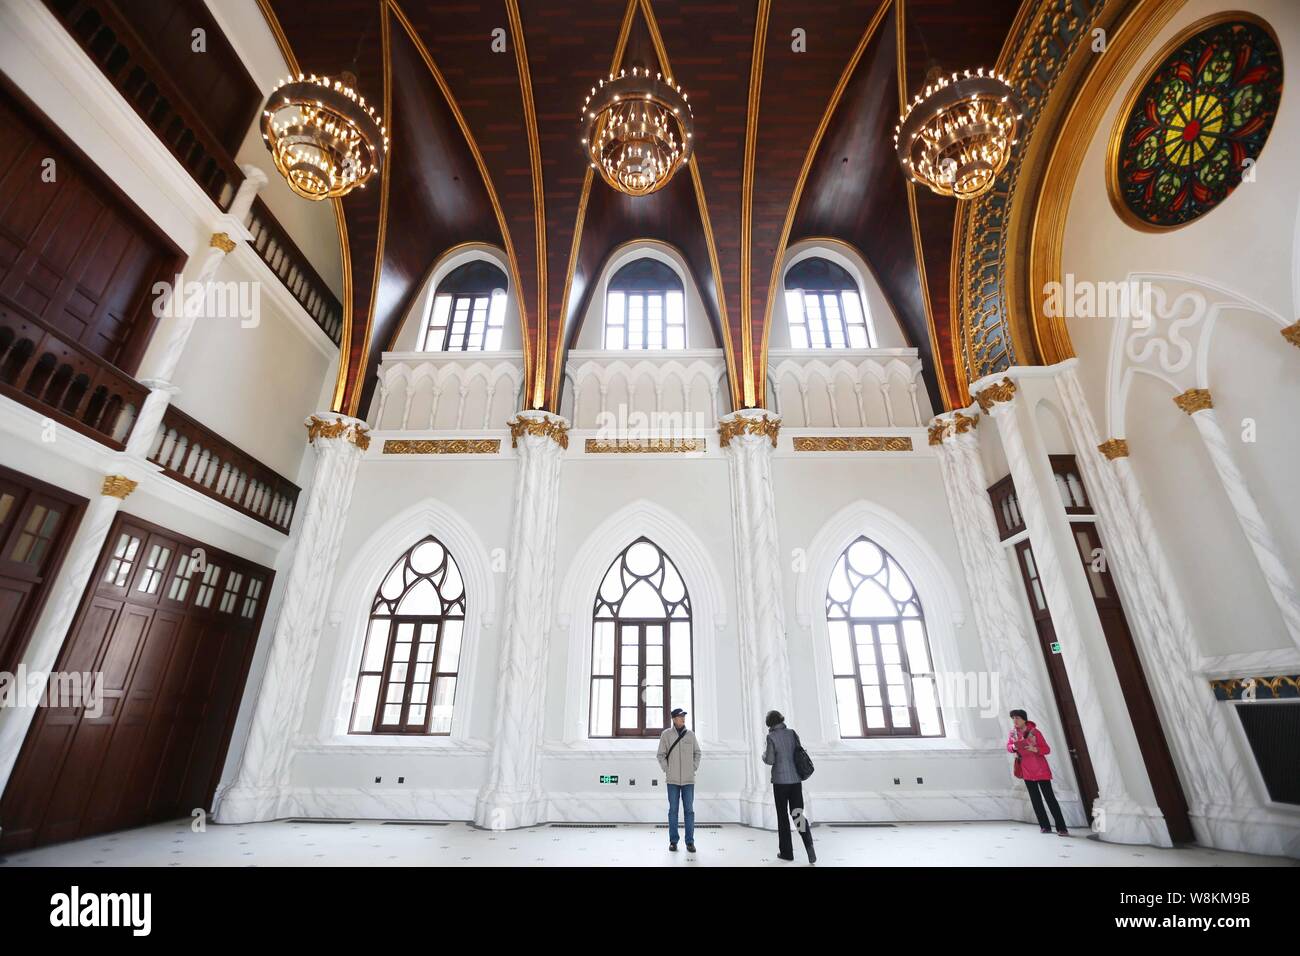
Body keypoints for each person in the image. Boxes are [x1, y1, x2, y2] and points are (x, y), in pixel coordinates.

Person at [762, 710, 816, 863]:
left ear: (770, 724)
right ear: (781, 720)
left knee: (783, 817)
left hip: (780, 782)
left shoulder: (771, 737)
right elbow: (799, 752)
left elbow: (770, 760)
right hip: (795, 780)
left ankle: (787, 853)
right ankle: (809, 845)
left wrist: (763, 755)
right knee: (797, 814)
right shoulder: (792, 733)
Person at [1007, 709, 1069, 835]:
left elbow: (1046, 749)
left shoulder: (1035, 732)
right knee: (1035, 800)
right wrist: (1013, 747)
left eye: (1017, 718)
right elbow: (1009, 746)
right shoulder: (1013, 734)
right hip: (1026, 770)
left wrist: (1034, 749)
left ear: (1024, 719)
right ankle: (1044, 826)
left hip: (1041, 770)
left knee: (1050, 798)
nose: (1015, 720)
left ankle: (1061, 828)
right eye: (1013, 718)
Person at [657, 707, 701, 852]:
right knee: (673, 811)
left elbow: (697, 753)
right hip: (672, 780)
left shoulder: (690, 735)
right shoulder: (666, 735)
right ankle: (673, 841)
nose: (683, 718)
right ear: (674, 719)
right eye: (680, 716)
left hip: (688, 780)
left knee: (689, 811)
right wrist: (667, 769)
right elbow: (660, 755)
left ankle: (690, 842)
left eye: (684, 716)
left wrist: (693, 767)